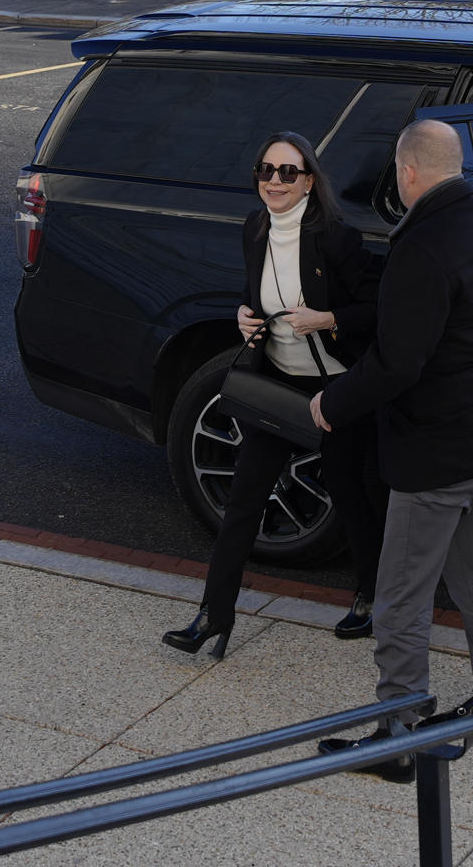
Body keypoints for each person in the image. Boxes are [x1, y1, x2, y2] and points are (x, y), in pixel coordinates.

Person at [311, 119, 473, 783]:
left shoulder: (422, 249)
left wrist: (333, 402)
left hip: (440, 451)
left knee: (401, 594)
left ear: (407, 171)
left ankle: (397, 737)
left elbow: (396, 364)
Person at [162, 132, 384, 659]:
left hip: (333, 387)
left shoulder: (335, 237)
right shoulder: (255, 228)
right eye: (266, 170)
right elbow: (256, 294)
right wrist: (245, 317)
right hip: (277, 385)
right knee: (243, 502)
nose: (276, 181)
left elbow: (380, 306)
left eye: (288, 171)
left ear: (309, 179)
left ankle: (373, 596)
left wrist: (328, 317)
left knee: (352, 494)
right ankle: (213, 617)